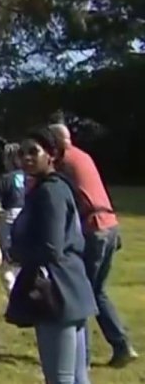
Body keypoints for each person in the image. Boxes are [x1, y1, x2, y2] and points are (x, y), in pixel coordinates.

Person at [9, 127, 96, 384]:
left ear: (51, 154)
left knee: (61, 378)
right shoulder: (51, 187)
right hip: (71, 285)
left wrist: (16, 252)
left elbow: (51, 247)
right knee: (77, 376)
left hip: (57, 291)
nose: (25, 158)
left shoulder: (50, 191)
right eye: (21, 152)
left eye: (33, 152)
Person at [50, 122, 137, 367]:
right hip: (109, 224)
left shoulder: (63, 163)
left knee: (80, 291)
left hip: (94, 227)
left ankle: (82, 358)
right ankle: (121, 345)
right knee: (96, 291)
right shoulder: (83, 156)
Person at [0, 143, 27, 293]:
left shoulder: (4, 179)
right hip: (28, 218)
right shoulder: (29, 176)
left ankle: (15, 297)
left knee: (5, 264)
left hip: (10, 219)